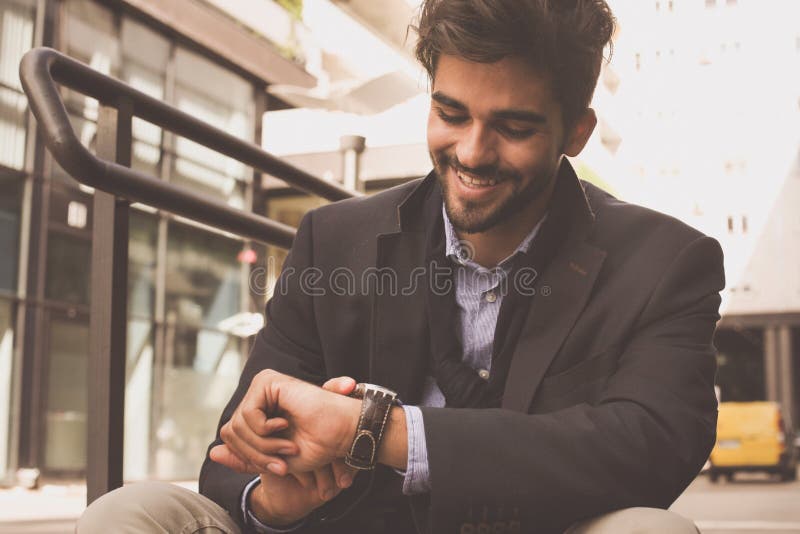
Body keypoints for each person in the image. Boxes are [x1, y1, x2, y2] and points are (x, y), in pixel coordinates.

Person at [78, 0, 724, 532]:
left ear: (576, 133)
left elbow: (650, 450)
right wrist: (275, 498)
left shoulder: (666, 261)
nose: (472, 152)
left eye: (515, 127)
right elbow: (231, 461)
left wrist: (373, 431)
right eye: (450, 113)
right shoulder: (332, 238)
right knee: (131, 511)